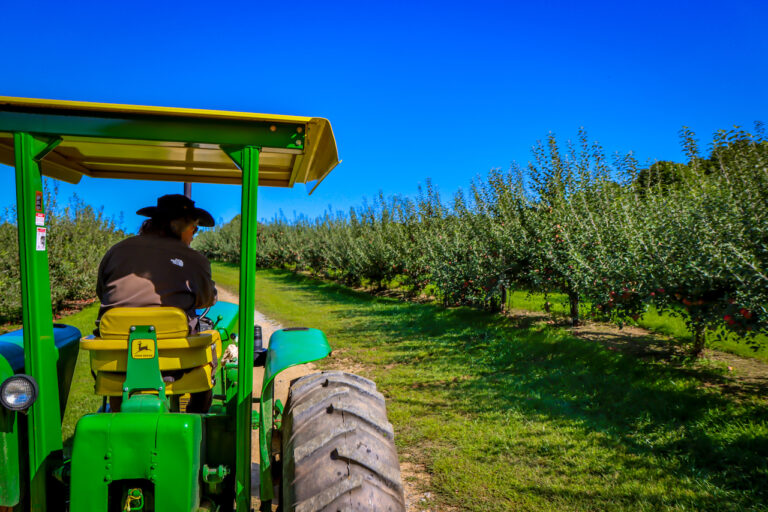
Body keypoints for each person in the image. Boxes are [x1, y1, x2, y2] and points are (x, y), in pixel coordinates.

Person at [96, 194, 218, 413]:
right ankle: (197, 411)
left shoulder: (117, 250)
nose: (195, 234)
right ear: (179, 227)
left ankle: (116, 408)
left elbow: (102, 291)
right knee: (210, 344)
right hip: (175, 363)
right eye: (195, 228)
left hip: (117, 361)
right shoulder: (194, 259)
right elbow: (206, 299)